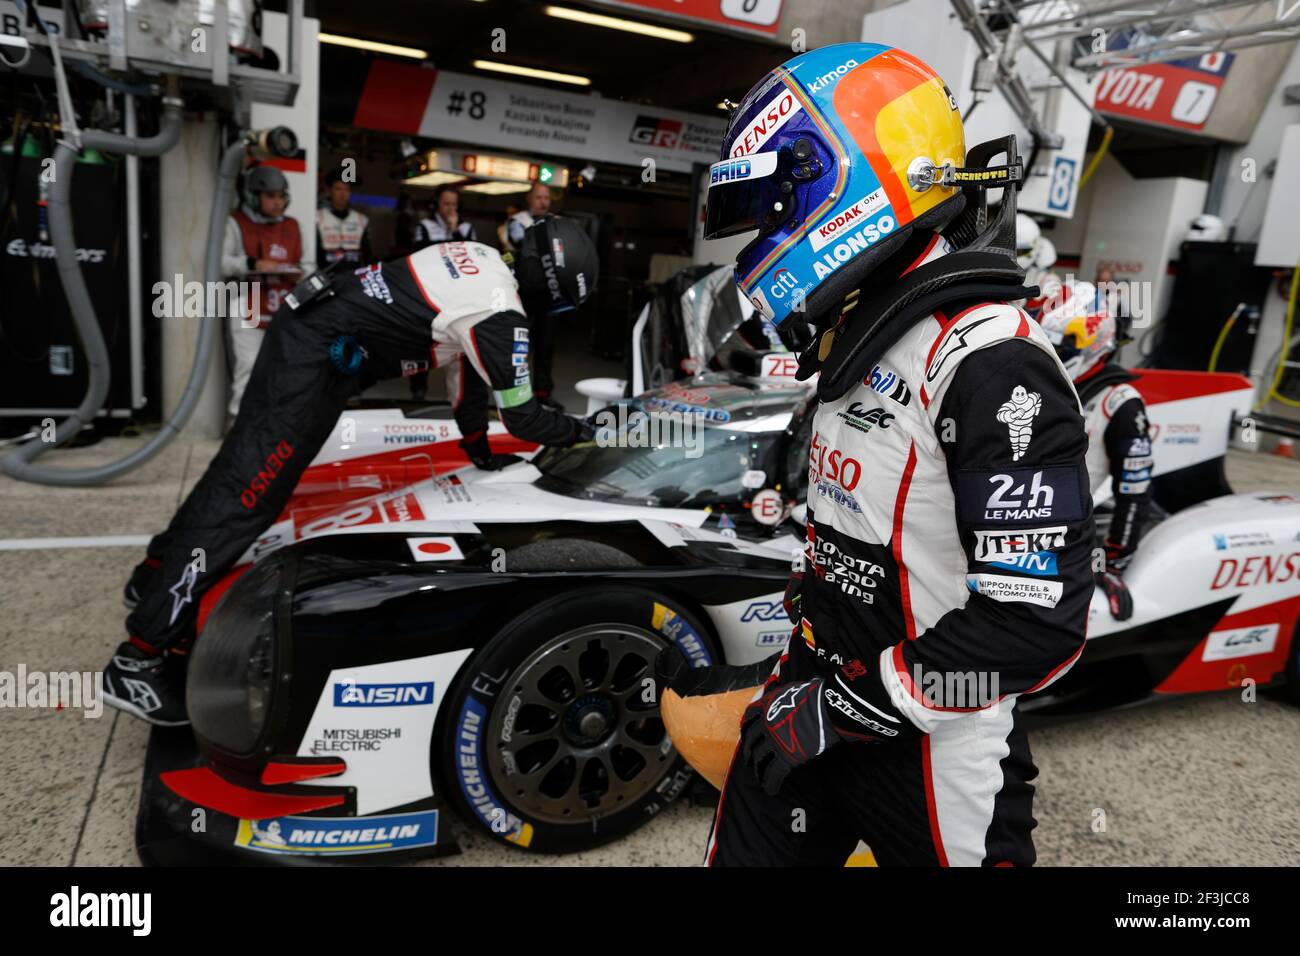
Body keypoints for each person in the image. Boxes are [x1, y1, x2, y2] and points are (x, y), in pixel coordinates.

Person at [691, 42, 1093, 866]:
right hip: (809, 696)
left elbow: (1035, 625)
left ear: (845, 180)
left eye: (774, 206)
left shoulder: (991, 359)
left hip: (933, 746)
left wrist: (846, 709)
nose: (763, 236)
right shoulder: (863, 328)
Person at [106, 219, 599, 725]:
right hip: (314, 360)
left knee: (238, 470)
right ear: (552, 288)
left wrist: (477, 447)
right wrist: (590, 432)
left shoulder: (480, 258)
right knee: (247, 496)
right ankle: (139, 657)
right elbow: (525, 419)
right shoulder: (501, 312)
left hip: (312, 334)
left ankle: (154, 574)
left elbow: (465, 371)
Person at [1037, 300, 1151, 622]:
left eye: (1060, 345)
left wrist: (1113, 562)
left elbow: (1135, 489)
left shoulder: (1120, 403)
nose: (1052, 352)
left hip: (1069, 535)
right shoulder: (1040, 384)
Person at [221, 164, 306, 416]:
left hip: (285, 306)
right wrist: (252, 264)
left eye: (281, 196)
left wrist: (301, 273)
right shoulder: (236, 223)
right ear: (253, 196)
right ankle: (240, 424)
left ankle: (276, 425)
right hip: (248, 304)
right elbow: (221, 263)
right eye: (270, 196)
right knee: (249, 367)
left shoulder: (293, 226)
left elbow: (309, 263)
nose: (277, 202)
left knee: (286, 369)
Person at [506, 183, 563, 409]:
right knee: (517, 346)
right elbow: (523, 244)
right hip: (522, 293)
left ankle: (542, 392)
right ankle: (513, 393)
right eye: (539, 197)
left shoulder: (556, 223)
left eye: (546, 198)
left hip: (549, 293)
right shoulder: (517, 221)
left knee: (546, 346)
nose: (543, 202)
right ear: (529, 198)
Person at [315, 167, 373, 266]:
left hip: (353, 272)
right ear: (330, 191)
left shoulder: (361, 219)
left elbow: (367, 254)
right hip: (326, 272)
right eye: (338, 189)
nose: (342, 194)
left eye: (346, 189)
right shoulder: (318, 217)